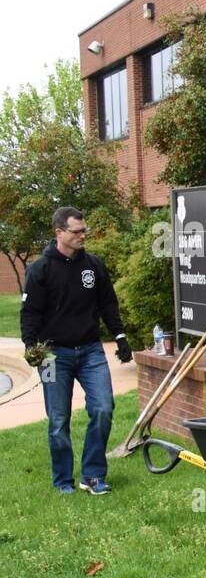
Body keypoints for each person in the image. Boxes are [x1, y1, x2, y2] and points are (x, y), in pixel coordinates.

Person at [20, 207, 132, 495]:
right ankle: (63, 481)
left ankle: (92, 476)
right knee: (58, 419)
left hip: (91, 351)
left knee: (104, 408)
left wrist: (119, 337)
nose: (83, 235)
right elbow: (30, 313)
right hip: (53, 355)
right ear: (59, 232)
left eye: (84, 230)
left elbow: (108, 304)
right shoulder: (40, 269)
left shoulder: (93, 266)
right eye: (77, 231)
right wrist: (31, 346)